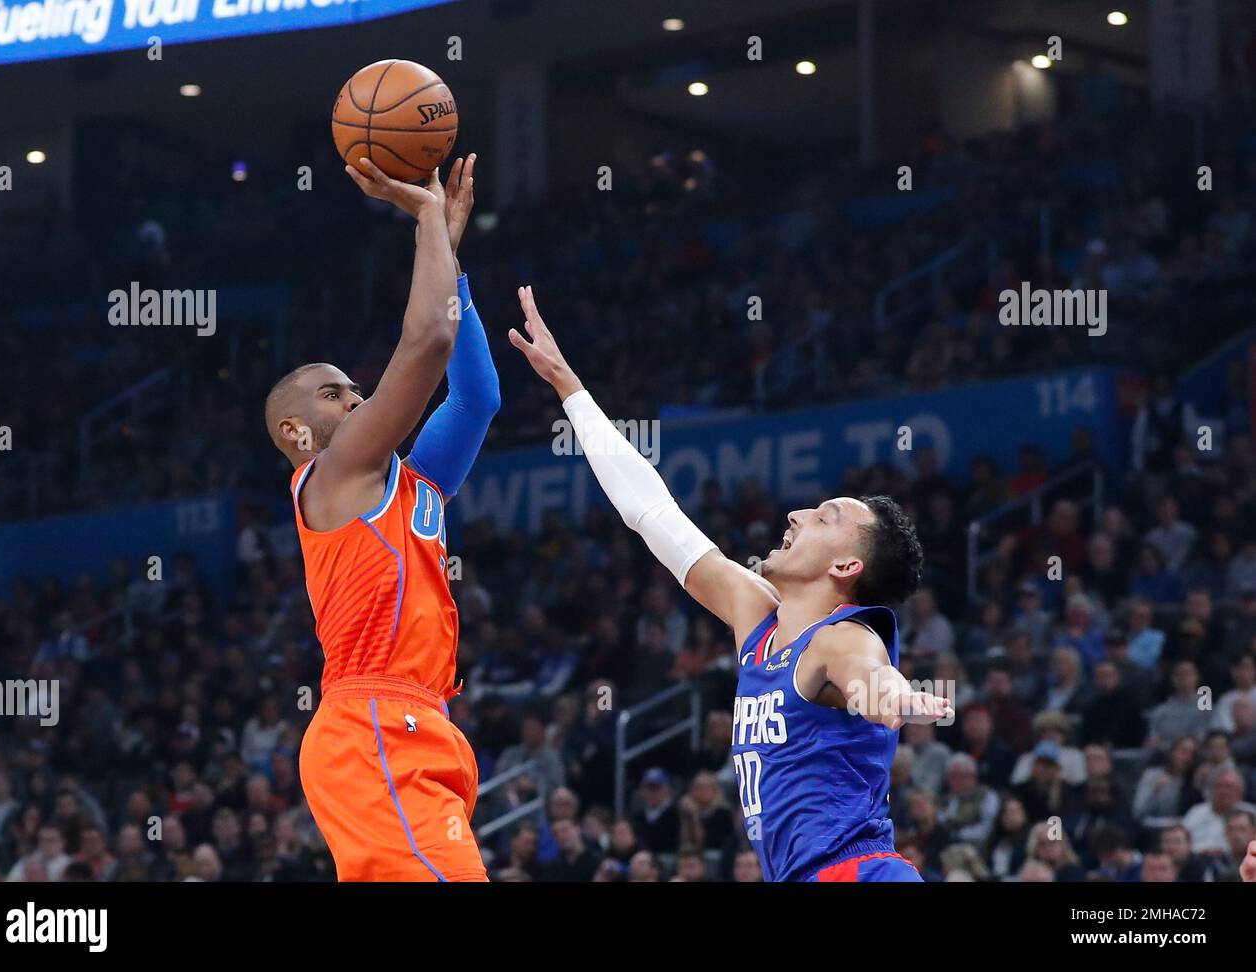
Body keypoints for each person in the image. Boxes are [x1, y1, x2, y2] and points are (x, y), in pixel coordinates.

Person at [508, 286, 951, 882]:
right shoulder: (756, 615)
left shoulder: (842, 639)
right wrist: (571, 391)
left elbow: (870, 677)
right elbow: (652, 513)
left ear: (846, 569)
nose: (796, 515)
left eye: (825, 518)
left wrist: (893, 698)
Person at [264, 155, 500, 881]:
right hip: (372, 723)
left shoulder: (411, 483)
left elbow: (474, 399)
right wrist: (428, 218)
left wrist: (451, 263)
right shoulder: (332, 474)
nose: (358, 398)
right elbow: (425, 343)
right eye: (334, 395)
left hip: (419, 721)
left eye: (356, 388)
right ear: (296, 434)